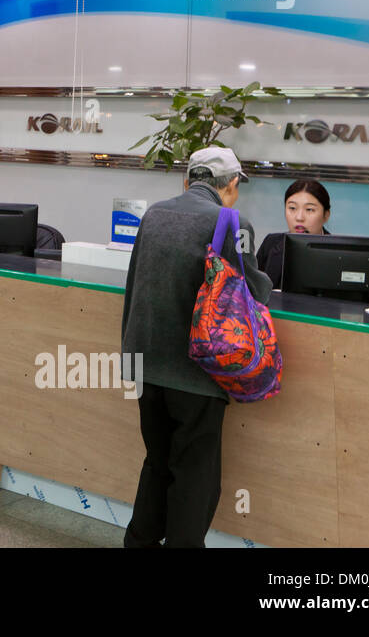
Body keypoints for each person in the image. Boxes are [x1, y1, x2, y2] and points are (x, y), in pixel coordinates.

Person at [120, 146, 271, 548]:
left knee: (157, 463)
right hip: (197, 370)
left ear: (187, 180)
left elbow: (133, 285)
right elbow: (253, 290)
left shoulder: (154, 214)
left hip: (144, 364)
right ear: (231, 185)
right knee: (194, 474)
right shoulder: (230, 220)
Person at [257, 179, 332, 289]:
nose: (299, 217)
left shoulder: (339, 253)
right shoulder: (271, 243)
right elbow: (253, 290)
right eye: (292, 208)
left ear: (326, 215)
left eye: (309, 209)